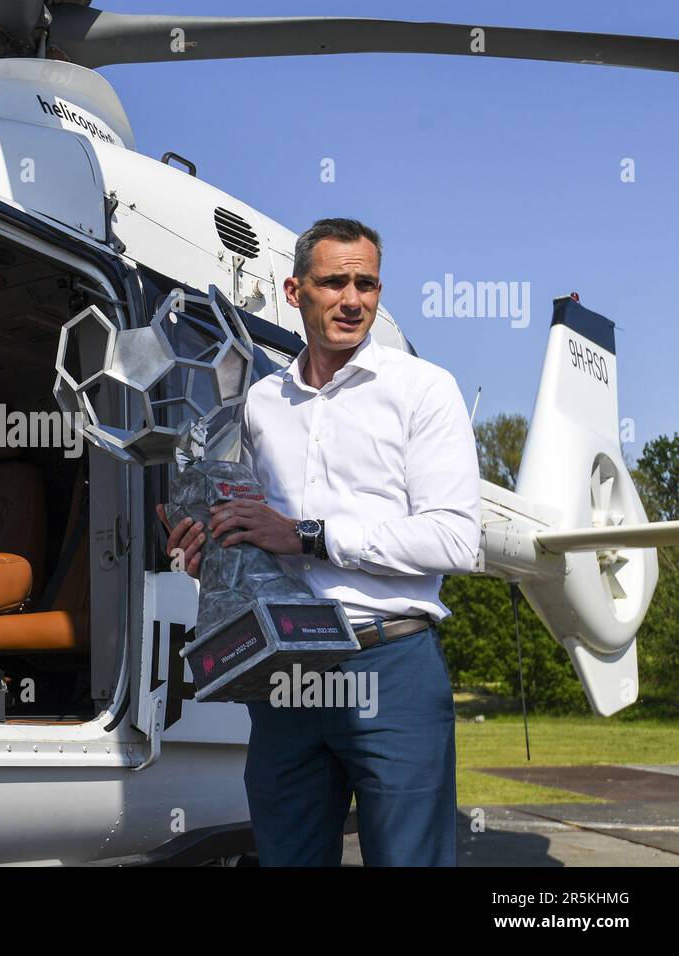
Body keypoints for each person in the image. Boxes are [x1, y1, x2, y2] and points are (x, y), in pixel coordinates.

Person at [159, 218, 481, 866]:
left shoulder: (423, 388)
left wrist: (308, 536)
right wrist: (208, 555)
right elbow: (257, 537)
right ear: (294, 290)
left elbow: (455, 538)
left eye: (366, 283)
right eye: (335, 282)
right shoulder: (259, 404)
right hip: (286, 675)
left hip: (389, 663)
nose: (353, 299)